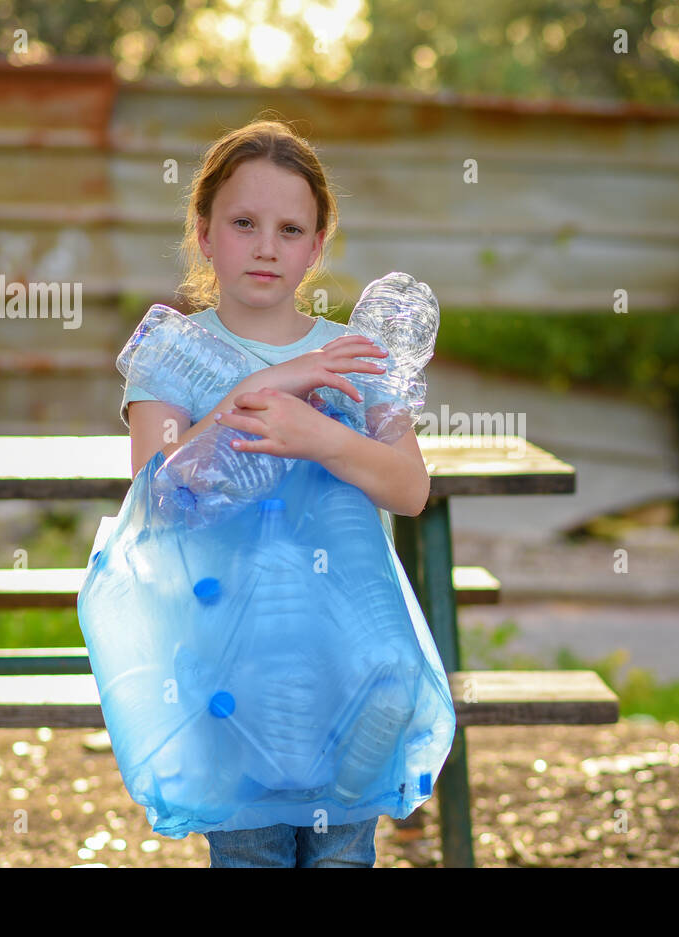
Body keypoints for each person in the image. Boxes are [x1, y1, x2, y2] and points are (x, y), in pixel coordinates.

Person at [121, 116, 432, 867]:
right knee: (252, 853)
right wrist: (265, 387)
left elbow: (410, 488)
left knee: (341, 856)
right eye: (243, 223)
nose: (267, 245)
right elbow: (155, 501)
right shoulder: (170, 357)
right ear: (203, 232)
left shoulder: (357, 354)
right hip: (233, 677)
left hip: (348, 676)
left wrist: (322, 435)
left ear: (318, 244)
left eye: (291, 228)